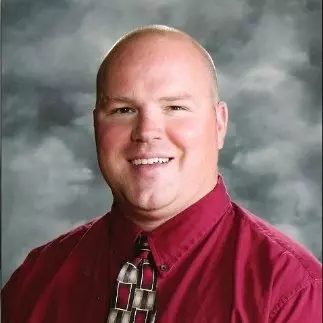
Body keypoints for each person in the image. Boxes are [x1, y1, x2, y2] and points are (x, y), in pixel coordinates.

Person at [2, 25, 322, 323]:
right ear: (97, 125)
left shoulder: (292, 293)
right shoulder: (36, 277)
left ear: (219, 123)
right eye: (123, 110)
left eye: (175, 108)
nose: (146, 132)